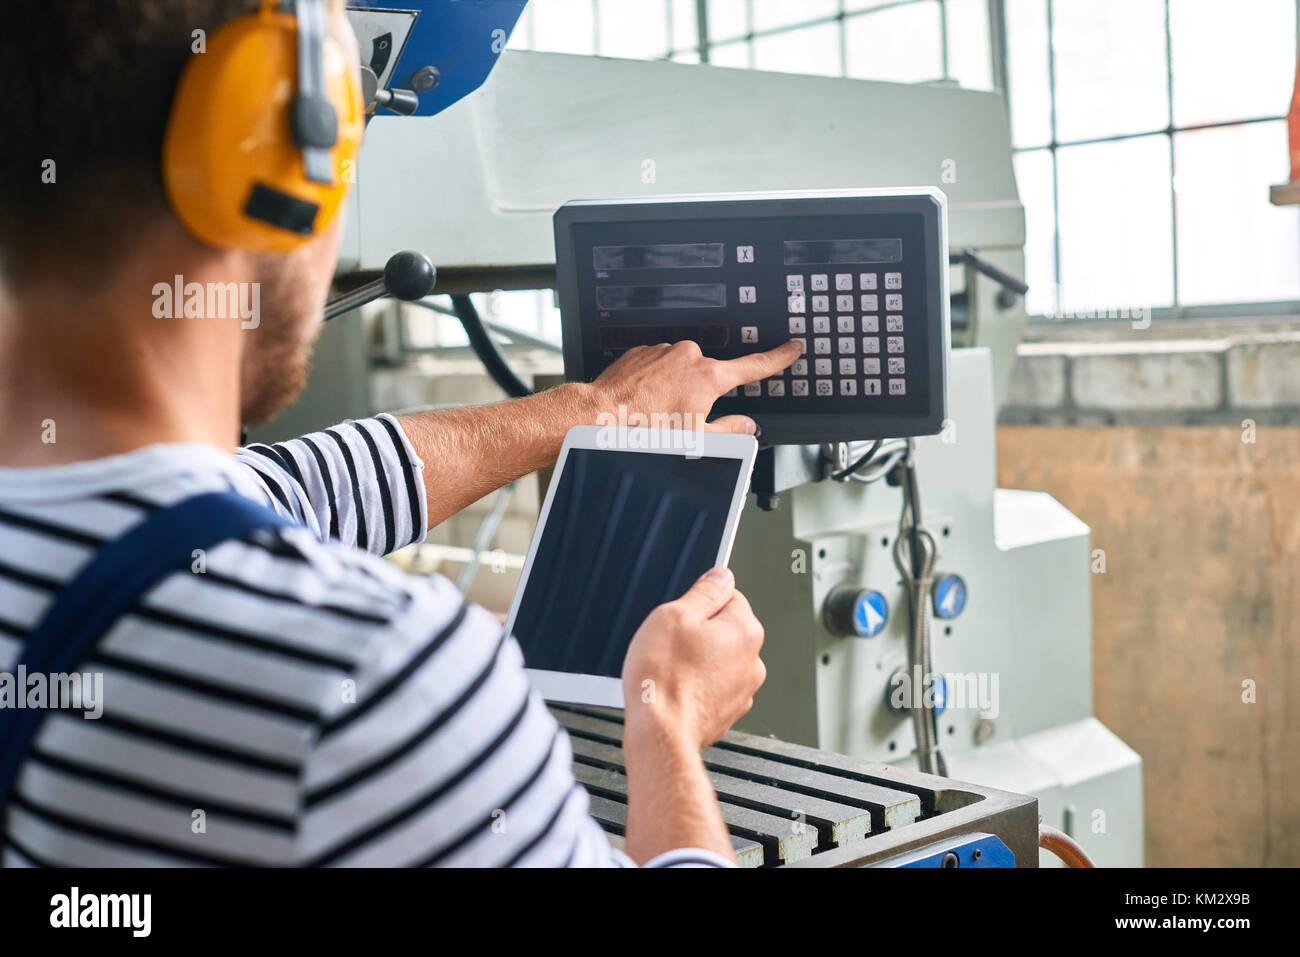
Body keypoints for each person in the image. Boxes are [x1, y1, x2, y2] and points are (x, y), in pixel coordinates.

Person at [0, 0, 799, 867]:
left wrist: (599, 410)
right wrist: (666, 721)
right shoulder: (373, 675)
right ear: (278, 154)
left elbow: (278, 493)